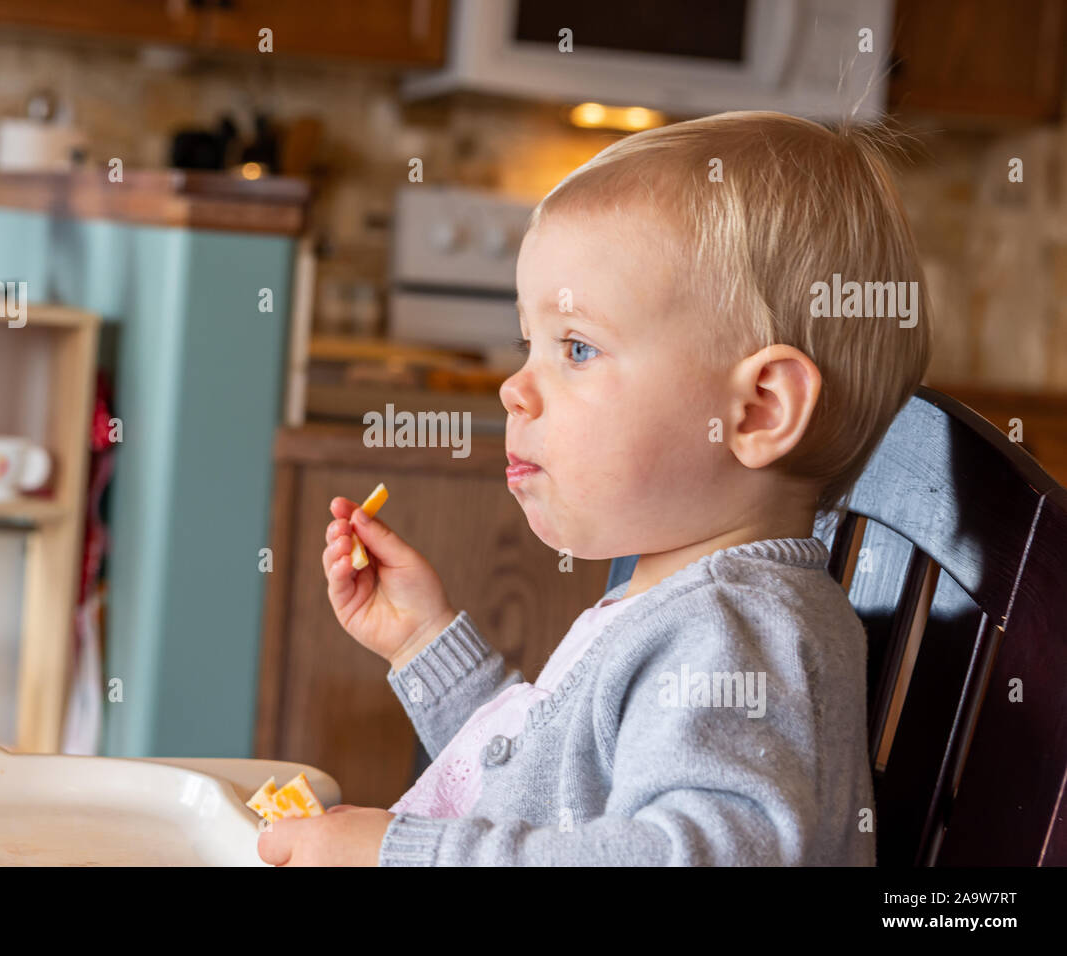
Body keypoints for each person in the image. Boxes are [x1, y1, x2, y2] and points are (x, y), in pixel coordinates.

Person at [257, 111, 931, 866]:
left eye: (577, 347)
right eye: (528, 344)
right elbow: (551, 784)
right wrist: (424, 641)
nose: (515, 388)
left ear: (759, 409)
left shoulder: (729, 629)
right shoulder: (687, 598)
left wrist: (408, 856)